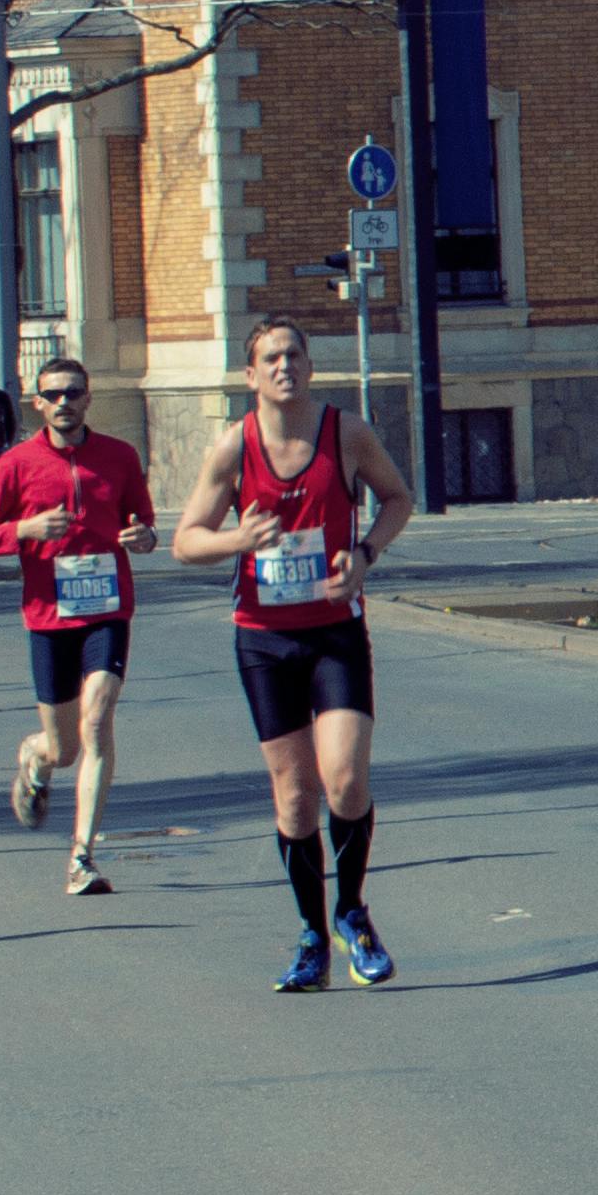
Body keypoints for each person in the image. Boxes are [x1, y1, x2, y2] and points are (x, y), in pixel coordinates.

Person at [173, 319, 416, 992]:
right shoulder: (233, 448)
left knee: (344, 780)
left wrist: (365, 554)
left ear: (310, 366)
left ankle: (352, 912)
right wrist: (238, 540)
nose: (285, 367)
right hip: (264, 638)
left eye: (295, 356)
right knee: (294, 797)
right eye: (270, 359)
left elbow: (399, 498)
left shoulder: (346, 433)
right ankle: (312, 937)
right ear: (250, 375)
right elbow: (186, 540)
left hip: (335, 630)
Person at [0, 352, 148, 895]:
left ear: (88, 398)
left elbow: (143, 521)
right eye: (54, 394)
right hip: (48, 616)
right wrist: (24, 528)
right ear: (38, 404)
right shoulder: (15, 465)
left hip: (107, 610)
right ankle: (34, 759)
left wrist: (145, 537)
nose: (65, 402)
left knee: (97, 720)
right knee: (64, 748)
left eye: (74, 393)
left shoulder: (119, 457)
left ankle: (81, 855)